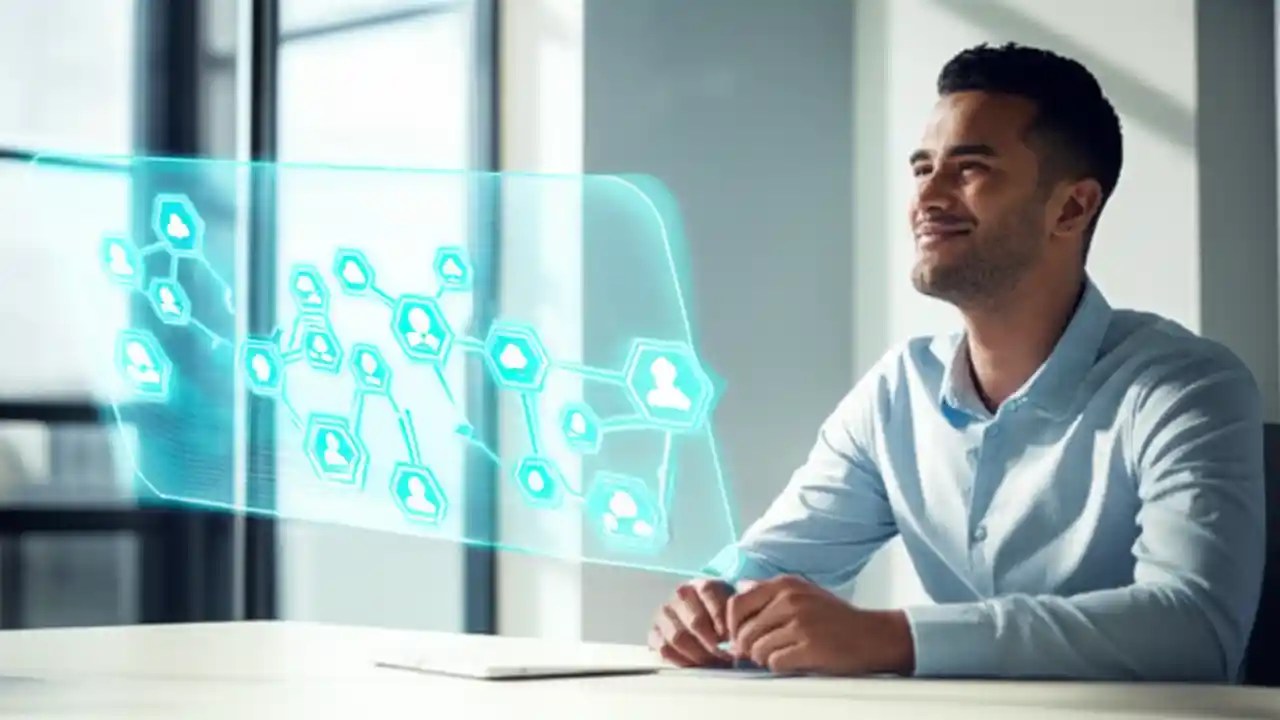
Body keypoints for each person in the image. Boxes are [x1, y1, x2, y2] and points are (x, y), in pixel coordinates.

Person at [647, 43, 1265, 682]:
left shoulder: (1185, 388)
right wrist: (710, 604)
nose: (928, 197)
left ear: (1072, 207)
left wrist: (893, 638)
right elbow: (769, 567)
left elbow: (1195, 627)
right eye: (922, 169)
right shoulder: (898, 392)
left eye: (970, 170)